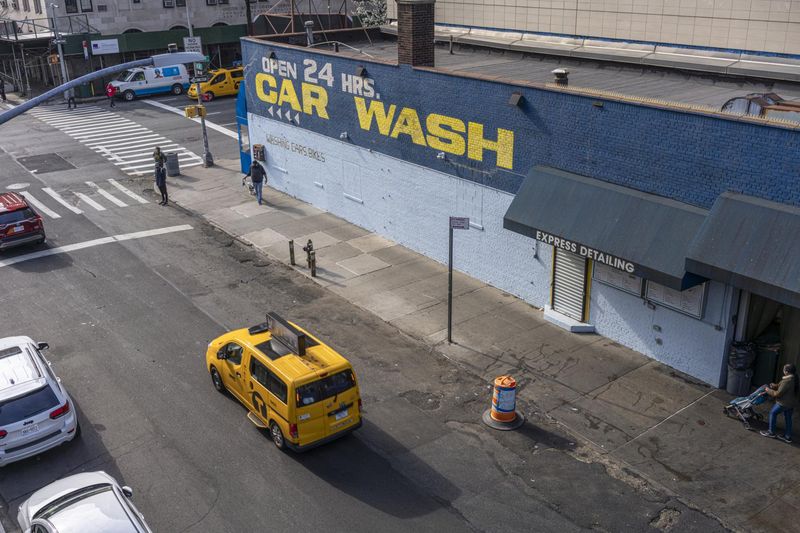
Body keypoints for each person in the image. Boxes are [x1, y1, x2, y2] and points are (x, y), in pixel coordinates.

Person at [761, 363, 797, 443]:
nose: (783, 370)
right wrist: (775, 385)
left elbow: (777, 394)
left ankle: (771, 432)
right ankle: (788, 437)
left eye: (784, 369)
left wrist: (768, 390)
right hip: (791, 403)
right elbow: (783, 387)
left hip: (784, 403)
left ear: (787, 371)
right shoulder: (793, 378)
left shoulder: (787, 381)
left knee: (772, 413)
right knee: (788, 418)